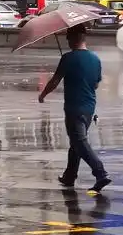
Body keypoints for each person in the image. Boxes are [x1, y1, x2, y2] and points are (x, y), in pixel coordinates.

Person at [38, 24, 111, 193]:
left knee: (79, 141)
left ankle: (100, 173)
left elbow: (54, 81)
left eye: (68, 38)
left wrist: (43, 95)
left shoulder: (68, 58)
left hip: (73, 107)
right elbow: (96, 83)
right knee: (76, 141)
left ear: (72, 38)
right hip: (89, 107)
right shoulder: (95, 58)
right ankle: (70, 175)